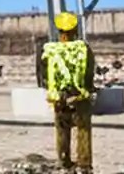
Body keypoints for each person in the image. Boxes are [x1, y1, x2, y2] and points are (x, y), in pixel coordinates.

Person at [36, 11, 95, 173]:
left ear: (58, 30)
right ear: (75, 29)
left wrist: (52, 90)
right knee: (83, 131)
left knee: (62, 130)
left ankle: (64, 162)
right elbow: (89, 71)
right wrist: (90, 89)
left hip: (59, 97)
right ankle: (84, 165)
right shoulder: (83, 49)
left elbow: (43, 74)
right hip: (79, 95)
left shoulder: (49, 50)